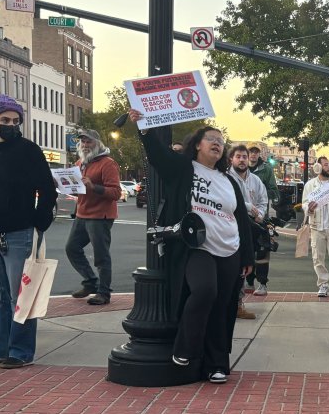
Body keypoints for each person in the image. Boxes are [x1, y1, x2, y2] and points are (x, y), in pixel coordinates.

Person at [128, 108, 255, 384]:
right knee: (205, 291)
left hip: (230, 249)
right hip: (196, 247)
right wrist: (144, 127)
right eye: (211, 139)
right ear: (197, 144)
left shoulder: (229, 181)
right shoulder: (184, 169)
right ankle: (185, 348)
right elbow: (157, 155)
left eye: (221, 141)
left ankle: (217, 364)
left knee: (222, 307)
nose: (217, 144)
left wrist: (247, 256)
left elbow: (240, 219)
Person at [0, 95, 57, 368]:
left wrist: (38, 222)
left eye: (16, 121)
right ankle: (2, 348)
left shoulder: (29, 150)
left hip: (20, 231)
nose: (11, 125)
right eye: (5, 120)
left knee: (20, 295)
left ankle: (21, 351)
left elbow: (46, 188)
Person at [65, 128, 121, 306]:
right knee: (72, 248)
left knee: (101, 255)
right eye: (82, 141)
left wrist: (93, 186)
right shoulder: (80, 163)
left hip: (100, 216)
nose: (85, 145)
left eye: (88, 141)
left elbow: (116, 192)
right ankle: (90, 282)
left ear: (98, 144)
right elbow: (77, 190)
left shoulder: (108, 163)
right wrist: (62, 184)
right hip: (82, 213)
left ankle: (104, 293)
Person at [228, 145, 269, 310]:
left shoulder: (255, 180)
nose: (242, 160)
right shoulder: (225, 178)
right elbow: (229, 199)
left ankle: (239, 304)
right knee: (233, 264)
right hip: (231, 226)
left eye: (244, 157)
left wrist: (260, 214)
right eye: (238, 156)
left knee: (247, 261)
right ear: (231, 159)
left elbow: (263, 200)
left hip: (251, 227)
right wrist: (248, 206)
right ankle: (233, 303)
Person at [302, 156, 329, 297]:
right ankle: (323, 285)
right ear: (318, 167)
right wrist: (308, 208)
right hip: (317, 226)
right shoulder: (310, 185)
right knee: (318, 259)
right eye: (326, 165)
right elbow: (304, 203)